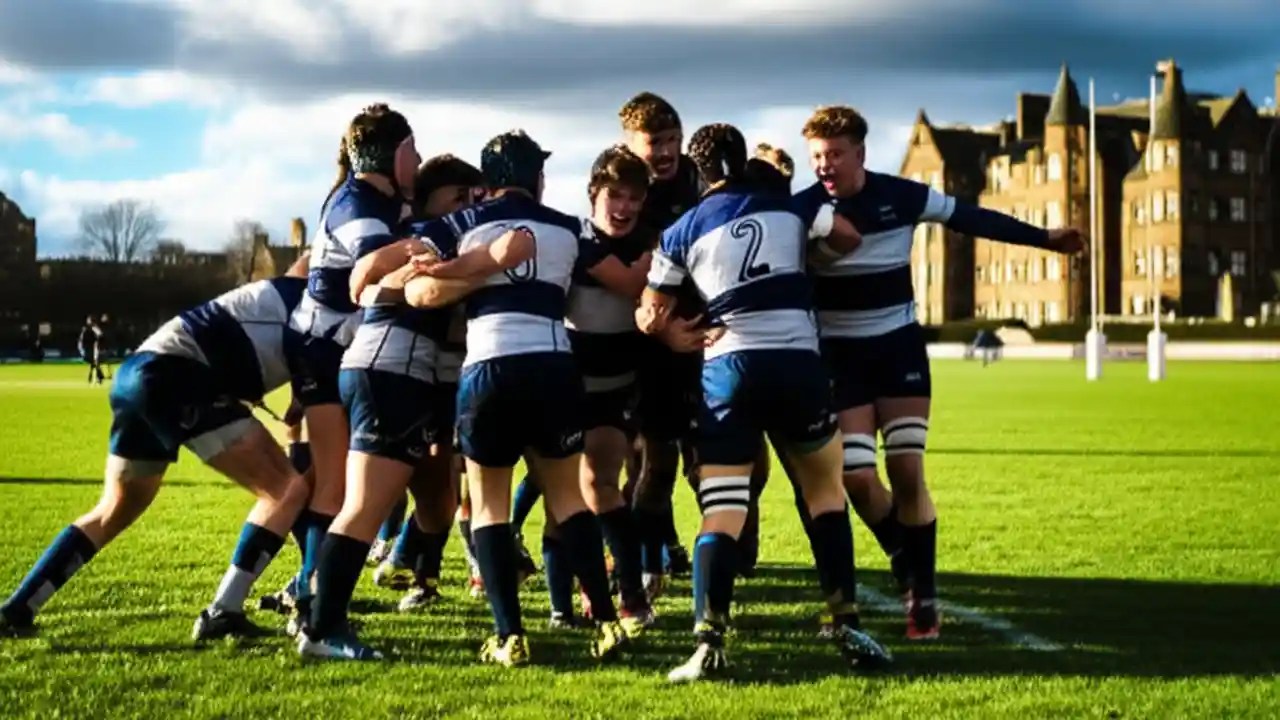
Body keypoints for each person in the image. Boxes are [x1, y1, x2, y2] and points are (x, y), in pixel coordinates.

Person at [797, 105, 1085, 640]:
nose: (825, 165)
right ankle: (909, 562)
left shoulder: (900, 195)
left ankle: (921, 598)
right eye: (816, 156)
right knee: (858, 478)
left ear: (860, 153)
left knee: (907, 473)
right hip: (839, 356)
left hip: (899, 350)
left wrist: (1045, 239)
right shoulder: (803, 211)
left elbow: (974, 218)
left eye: (835, 154)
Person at [637, 122, 891, 683]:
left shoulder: (680, 229)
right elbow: (847, 236)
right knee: (824, 490)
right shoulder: (791, 205)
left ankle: (709, 639)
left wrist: (674, 336)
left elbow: (650, 312)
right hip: (798, 362)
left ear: (698, 170)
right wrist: (803, 263)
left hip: (728, 368)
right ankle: (844, 620)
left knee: (723, 506)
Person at [380, 130, 638, 667]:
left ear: (488, 181)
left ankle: (509, 635)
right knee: (569, 498)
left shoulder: (459, 224)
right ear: (536, 178)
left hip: (488, 366)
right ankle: (608, 623)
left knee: (490, 503)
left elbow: (410, 262)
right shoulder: (568, 227)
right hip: (553, 364)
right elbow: (624, 277)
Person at [0, 260, 313, 642]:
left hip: (137, 373)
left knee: (114, 508)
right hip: (181, 376)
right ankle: (224, 612)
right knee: (287, 489)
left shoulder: (292, 290)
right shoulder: (326, 308)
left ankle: (17, 608)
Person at [285, 103, 419, 633]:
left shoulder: (378, 201)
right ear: (395, 154)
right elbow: (381, 267)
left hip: (333, 351)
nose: (420, 159)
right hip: (324, 351)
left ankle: (309, 589)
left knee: (329, 484)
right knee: (334, 489)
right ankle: (310, 602)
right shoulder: (358, 203)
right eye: (414, 148)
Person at [369, 154, 487, 613]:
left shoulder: (463, 239)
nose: (467, 207)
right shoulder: (416, 246)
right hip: (412, 374)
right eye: (458, 198)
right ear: (425, 201)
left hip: (455, 373)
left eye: (473, 198)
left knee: (450, 479)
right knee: (427, 482)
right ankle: (406, 561)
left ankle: (423, 572)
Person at [619, 92, 702, 591]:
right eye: (656, 142)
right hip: (647, 348)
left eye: (673, 138)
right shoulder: (623, 192)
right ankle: (645, 565)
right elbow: (620, 276)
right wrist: (659, 326)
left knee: (730, 463)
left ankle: (726, 545)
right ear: (630, 143)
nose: (668, 150)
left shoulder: (699, 180)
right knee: (654, 465)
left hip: (706, 338)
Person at [77, 316, 105, 385]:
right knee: (94, 363)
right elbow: (82, 339)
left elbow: (100, 336)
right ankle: (99, 376)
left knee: (95, 362)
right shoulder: (86, 329)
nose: (88, 322)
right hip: (89, 348)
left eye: (89, 320)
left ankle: (97, 377)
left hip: (94, 348)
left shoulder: (94, 328)